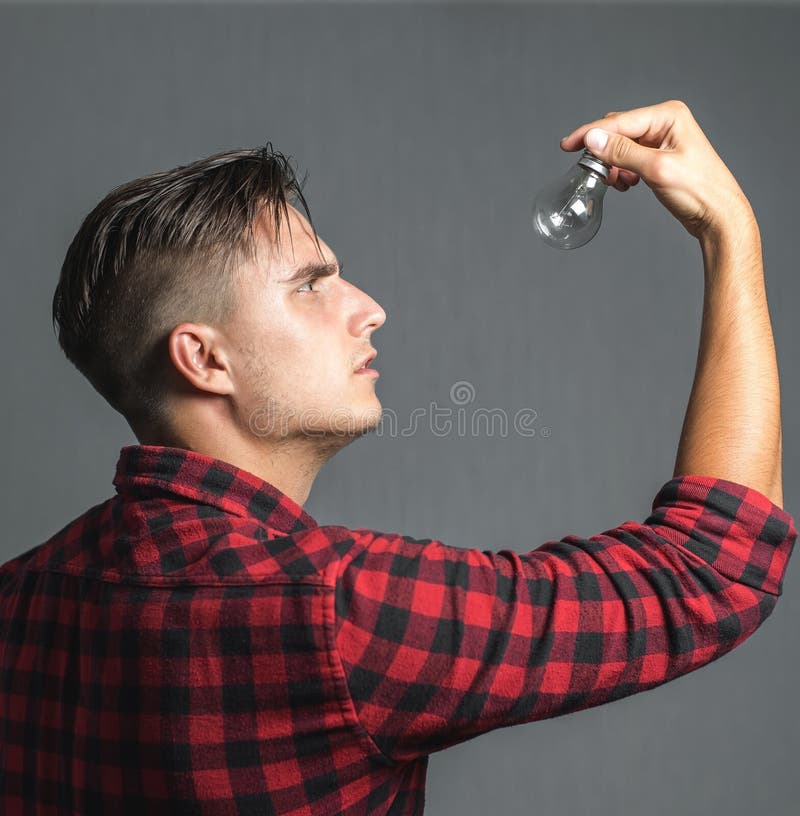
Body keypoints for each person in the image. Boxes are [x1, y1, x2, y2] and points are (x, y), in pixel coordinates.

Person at [0, 100, 795, 815]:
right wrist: (729, 232)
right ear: (204, 360)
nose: (370, 309)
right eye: (310, 286)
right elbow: (713, 568)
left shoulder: (19, 598)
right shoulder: (339, 617)